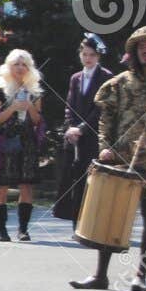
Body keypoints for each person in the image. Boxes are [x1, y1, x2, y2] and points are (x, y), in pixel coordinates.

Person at [71, 26, 146, 291]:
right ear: (133, 51)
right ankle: (100, 275)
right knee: (110, 216)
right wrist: (104, 147)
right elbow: (105, 120)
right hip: (121, 159)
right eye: (141, 45)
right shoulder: (119, 83)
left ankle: (140, 276)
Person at [0, 49, 45, 242]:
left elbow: (38, 122)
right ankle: (0, 230)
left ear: (29, 68)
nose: (20, 68)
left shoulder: (34, 92)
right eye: (16, 64)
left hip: (27, 142)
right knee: (1, 186)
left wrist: (30, 108)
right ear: (8, 67)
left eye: (24, 64)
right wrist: (12, 108)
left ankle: (23, 229)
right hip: (5, 142)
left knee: (26, 185)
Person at [53, 34, 113, 223]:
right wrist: (70, 128)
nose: (88, 58)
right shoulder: (75, 78)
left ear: (98, 57)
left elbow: (101, 109)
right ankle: (75, 222)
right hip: (74, 137)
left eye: (92, 55)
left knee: (91, 180)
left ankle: (92, 223)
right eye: (85, 54)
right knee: (72, 179)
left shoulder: (106, 76)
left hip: (94, 135)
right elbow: (69, 105)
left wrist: (82, 128)